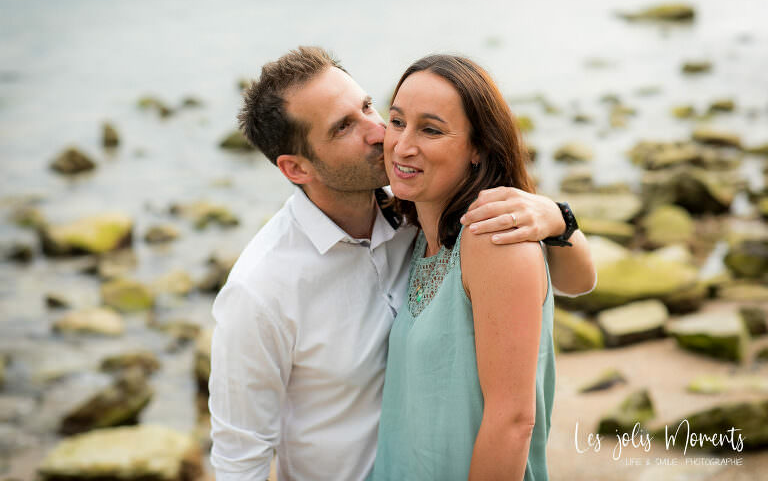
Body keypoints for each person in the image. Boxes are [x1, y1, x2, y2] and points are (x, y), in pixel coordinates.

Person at [209, 47, 595, 481]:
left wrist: (558, 219)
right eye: (344, 128)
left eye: (369, 107)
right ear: (296, 168)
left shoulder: (419, 215)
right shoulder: (260, 288)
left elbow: (575, 283)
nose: (380, 134)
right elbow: (239, 457)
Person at [369, 54, 562, 481]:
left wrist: (560, 217)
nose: (402, 146)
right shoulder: (419, 234)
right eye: (397, 122)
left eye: (431, 130)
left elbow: (513, 422)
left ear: (478, 148)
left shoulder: (492, 239)